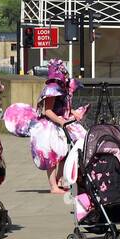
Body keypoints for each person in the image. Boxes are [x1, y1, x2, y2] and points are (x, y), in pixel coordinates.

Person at [28, 58, 87, 193]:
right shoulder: (52, 88)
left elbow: (63, 106)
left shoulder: (63, 86)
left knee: (67, 153)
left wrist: (73, 112)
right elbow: (47, 111)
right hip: (52, 125)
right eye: (61, 70)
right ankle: (53, 186)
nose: (65, 74)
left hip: (62, 122)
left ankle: (60, 180)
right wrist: (61, 121)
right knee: (53, 154)